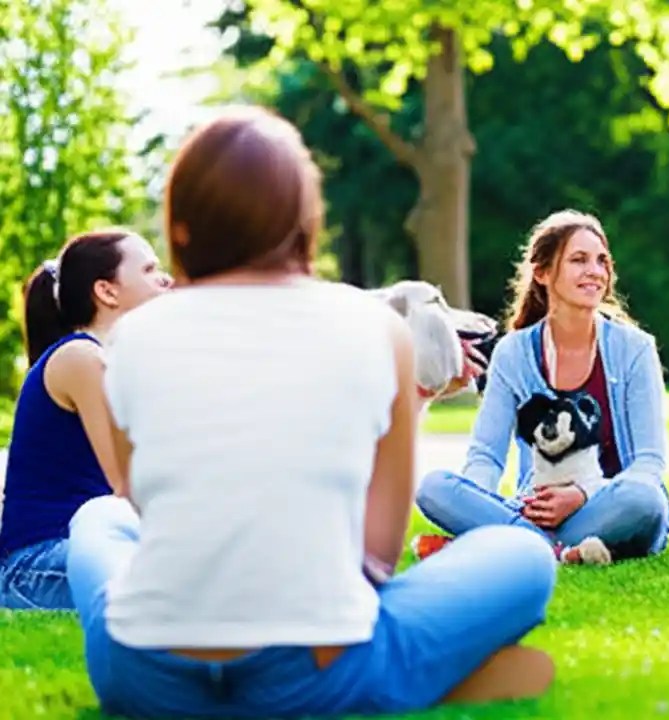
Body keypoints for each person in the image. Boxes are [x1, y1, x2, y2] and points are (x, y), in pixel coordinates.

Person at [64, 105, 557, 718]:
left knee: (96, 522)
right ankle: (421, 673)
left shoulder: (134, 337)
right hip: (312, 673)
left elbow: (140, 500)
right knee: (525, 556)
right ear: (305, 217)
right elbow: (377, 549)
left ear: (182, 227)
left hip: (141, 674)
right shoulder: (375, 327)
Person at [415, 210, 669, 564]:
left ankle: (499, 541)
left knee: (645, 499)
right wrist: (477, 501)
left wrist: (581, 495)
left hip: (612, 507)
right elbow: (485, 456)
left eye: (601, 261)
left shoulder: (635, 349)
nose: (595, 271)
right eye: (578, 260)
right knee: (434, 488)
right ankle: (554, 548)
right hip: (534, 509)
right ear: (542, 273)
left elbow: (648, 462)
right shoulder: (513, 352)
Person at [0, 230, 171, 610]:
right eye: (149, 269)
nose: (166, 279)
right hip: (34, 567)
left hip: (82, 549)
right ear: (107, 292)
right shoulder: (81, 358)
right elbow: (127, 483)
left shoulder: (115, 364)